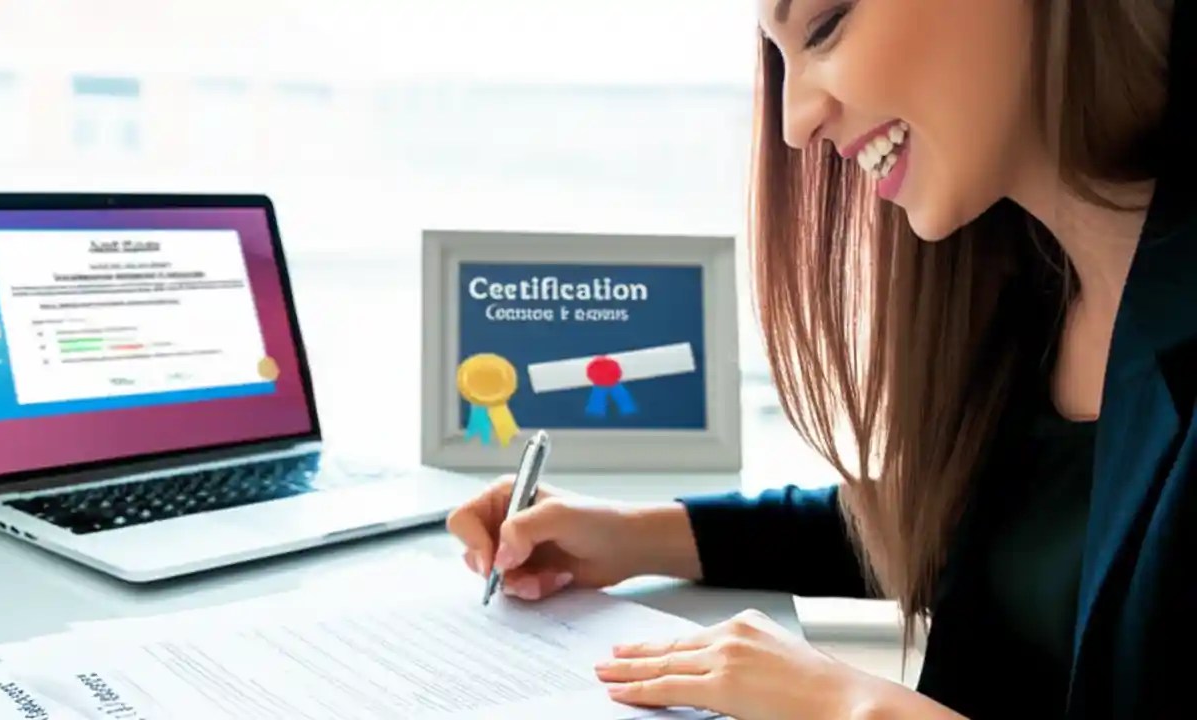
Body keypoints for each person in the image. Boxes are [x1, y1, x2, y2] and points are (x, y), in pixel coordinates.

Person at [449, 0, 1194, 718]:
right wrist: (635, 534)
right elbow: (963, 525)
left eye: (828, 23)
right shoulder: (1033, 290)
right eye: (779, 57)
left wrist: (853, 707)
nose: (795, 121)